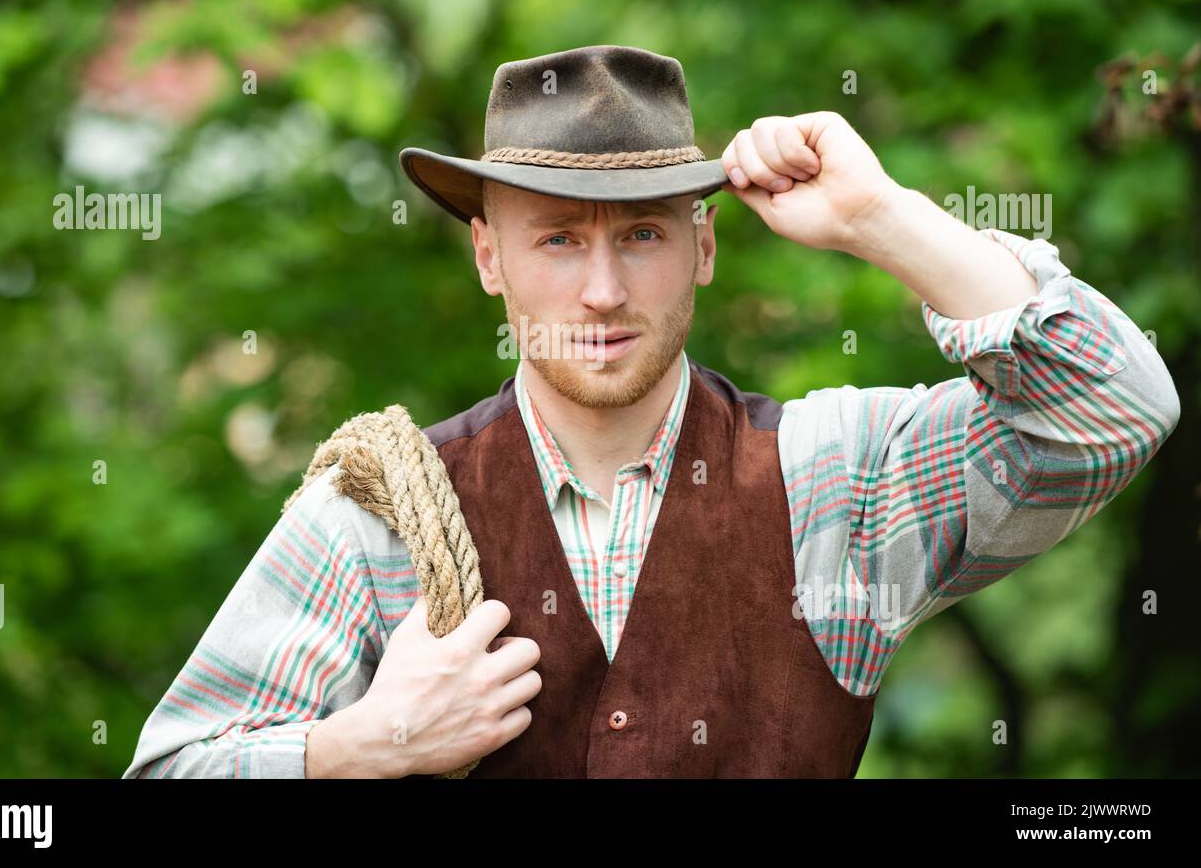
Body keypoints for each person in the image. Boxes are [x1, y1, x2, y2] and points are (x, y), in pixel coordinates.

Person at [123, 44, 1180, 778]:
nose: (600, 291)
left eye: (640, 236)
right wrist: (363, 747)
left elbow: (1113, 408)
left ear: (704, 248)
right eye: (555, 239)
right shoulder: (382, 517)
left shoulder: (833, 482)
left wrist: (877, 218)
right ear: (488, 257)